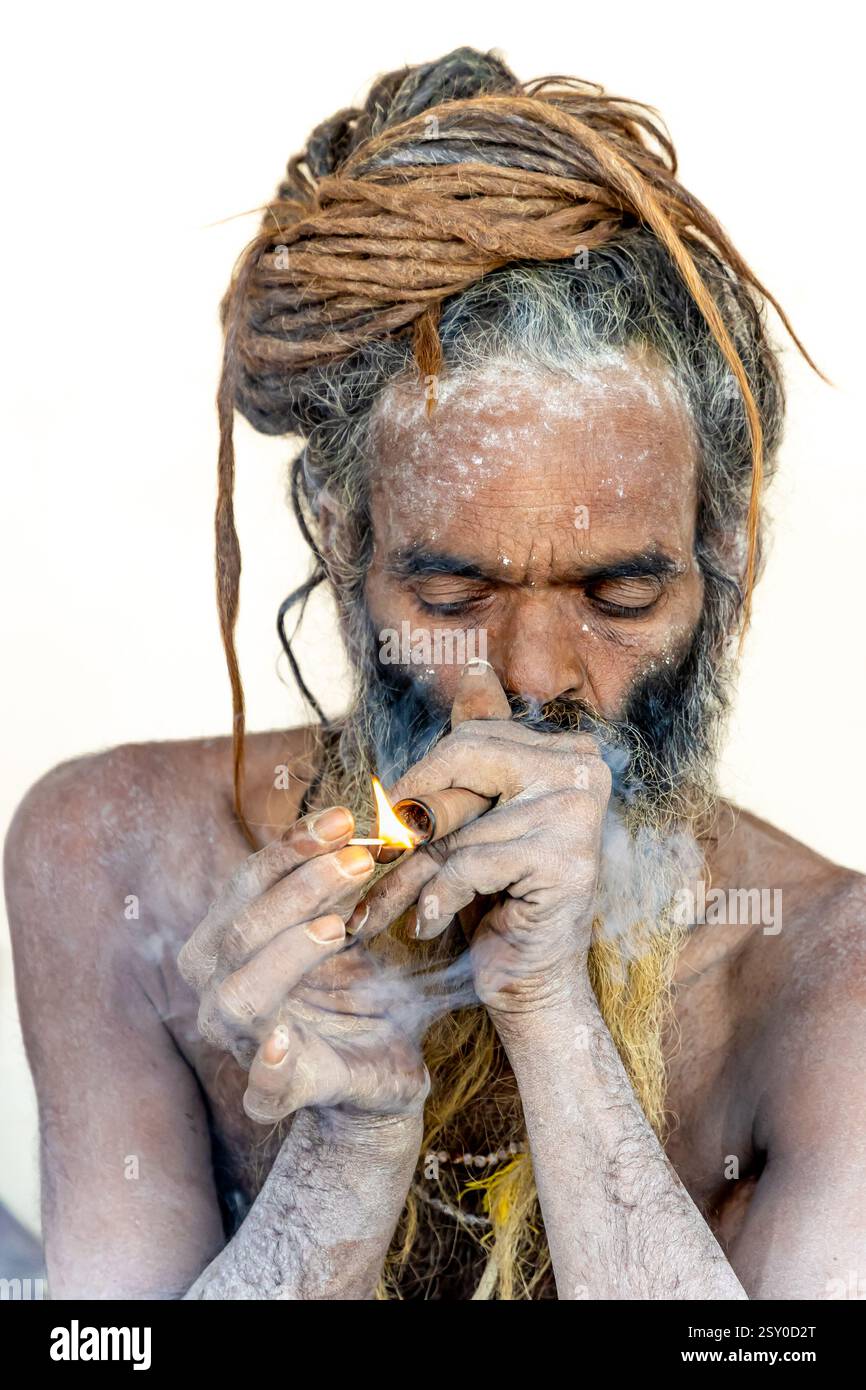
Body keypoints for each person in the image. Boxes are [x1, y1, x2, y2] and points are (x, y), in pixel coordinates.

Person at [6, 46, 864, 1301]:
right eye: (451, 593)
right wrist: (337, 1159)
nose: (527, 678)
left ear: (724, 558)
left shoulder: (823, 978)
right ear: (343, 542)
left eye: (618, 595)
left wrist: (554, 1022)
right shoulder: (114, 854)